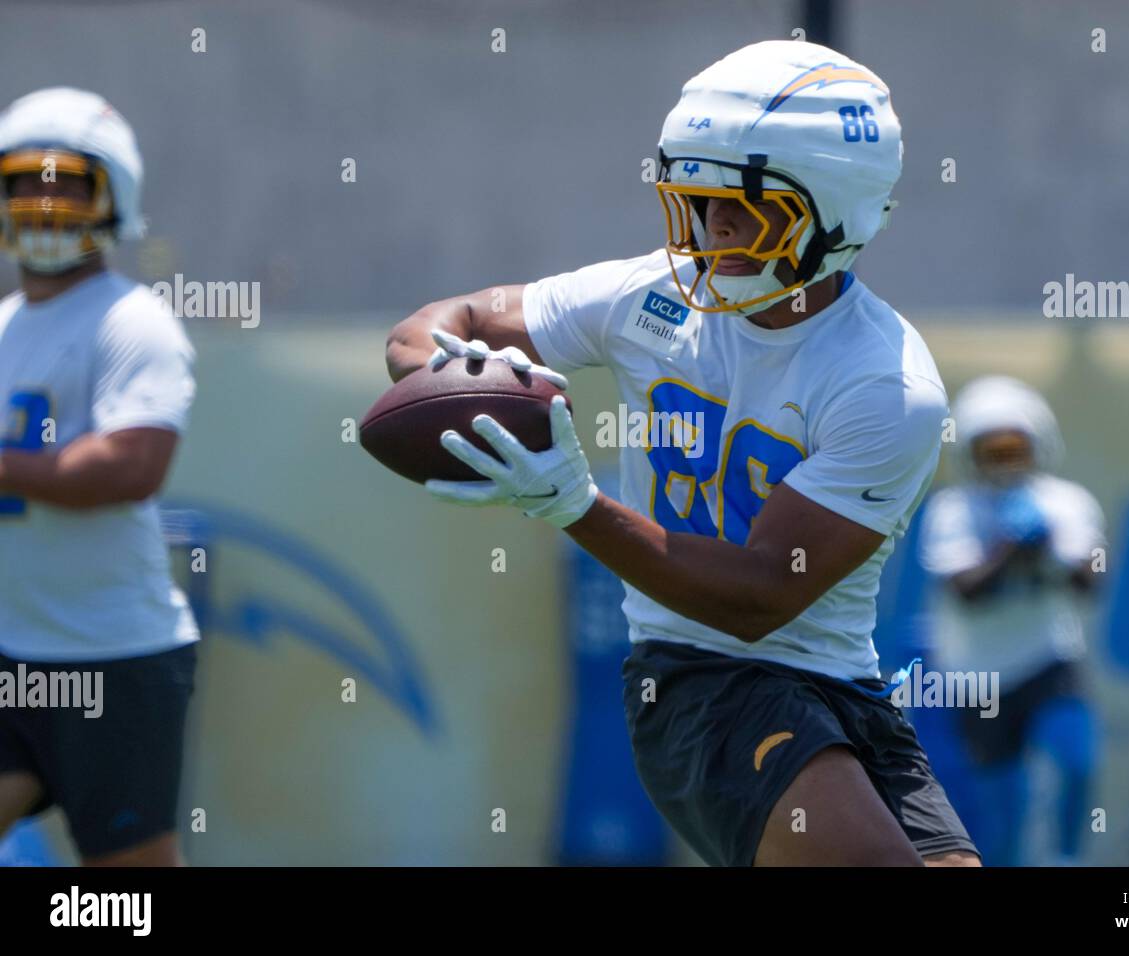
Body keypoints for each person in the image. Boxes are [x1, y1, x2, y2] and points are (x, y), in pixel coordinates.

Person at [387, 42, 978, 866]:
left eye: (745, 203)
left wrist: (575, 506)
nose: (714, 227)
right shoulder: (652, 293)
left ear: (837, 210)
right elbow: (443, 323)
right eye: (700, 199)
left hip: (842, 688)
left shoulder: (885, 384)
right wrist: (449, 372)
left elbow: (764, 592)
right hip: (700, 680)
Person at [0, 87, 199, 866]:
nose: (45, 203)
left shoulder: (133, 320)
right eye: (27, 181)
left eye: (67, 184)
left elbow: (130, 466)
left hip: (112, 659)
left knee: (124, 899)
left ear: (113, 196)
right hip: (11, 653)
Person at [918, 375, 1104, 865]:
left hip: (1048, 657)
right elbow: (967, 592)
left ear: (1037, 445)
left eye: (1013, 449)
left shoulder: (1066, 503)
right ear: (971, 454)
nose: (1004, 462)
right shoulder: (952, 510)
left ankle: (1067, 858)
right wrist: (1006, 550)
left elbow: (1092, 582)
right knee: (1003, 806)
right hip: (977, 675)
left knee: (1077, 760)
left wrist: (1049, 553)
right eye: (991, 451)